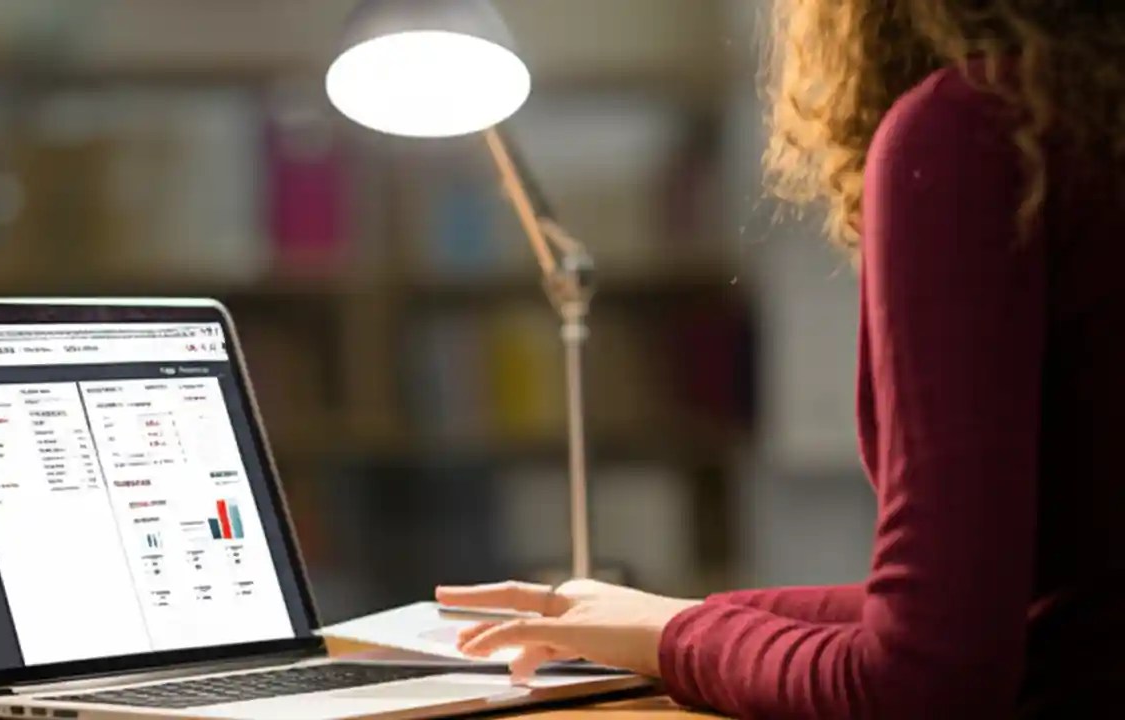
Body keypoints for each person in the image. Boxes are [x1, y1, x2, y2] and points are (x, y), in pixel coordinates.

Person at [436, 1, 1125, 717]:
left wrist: (677, 635)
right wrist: (665, 618)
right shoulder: (1085, 117)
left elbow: (924, 679)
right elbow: (1009, 606)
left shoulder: (976, 132)